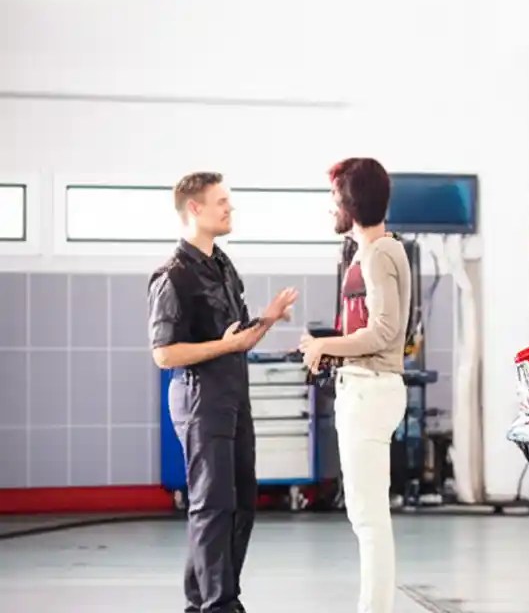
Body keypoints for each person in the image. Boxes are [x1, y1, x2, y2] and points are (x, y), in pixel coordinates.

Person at [148, 172, 298, 613]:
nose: (229, 209)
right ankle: (220, 605)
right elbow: (164, 354)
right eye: (221, 202)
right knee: (212, 505)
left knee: (240, 503)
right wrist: (228, 345)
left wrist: (267, 319)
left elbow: (240, 337)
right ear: (194, 209)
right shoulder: (172, 277)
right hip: (200, 399)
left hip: (233, 394)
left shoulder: (223, 266)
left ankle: (205, 603)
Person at [299, 158, 410, 613]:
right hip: (366, 387)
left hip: (370, 389)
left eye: (332, 200)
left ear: (350, 202)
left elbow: (383, 331)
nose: (329, 210)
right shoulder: (374, 251)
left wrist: (326, 346)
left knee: (368, 519)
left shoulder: (379, 253)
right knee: (366, 516)